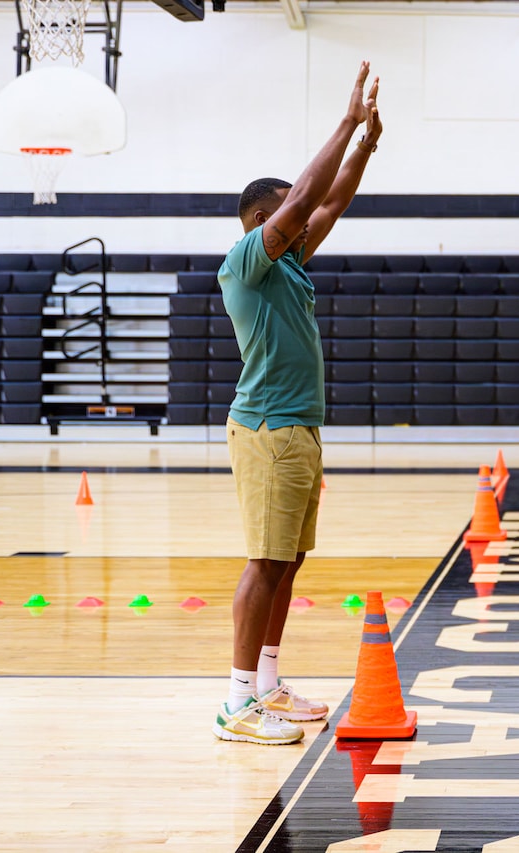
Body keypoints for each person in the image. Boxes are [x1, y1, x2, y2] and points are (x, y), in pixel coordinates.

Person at [212, 62, 382, 745]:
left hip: (298, 430)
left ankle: (267, 683)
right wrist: (343, 120)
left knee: (288, 560)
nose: (305, 215)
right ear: (263, 219)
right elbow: (313, 190)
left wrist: (366, 143)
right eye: (289, 209)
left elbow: (331, 198)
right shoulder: (246, 260)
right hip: (267, 429)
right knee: (264, 559)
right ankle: (235, 703)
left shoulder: (293, 262)